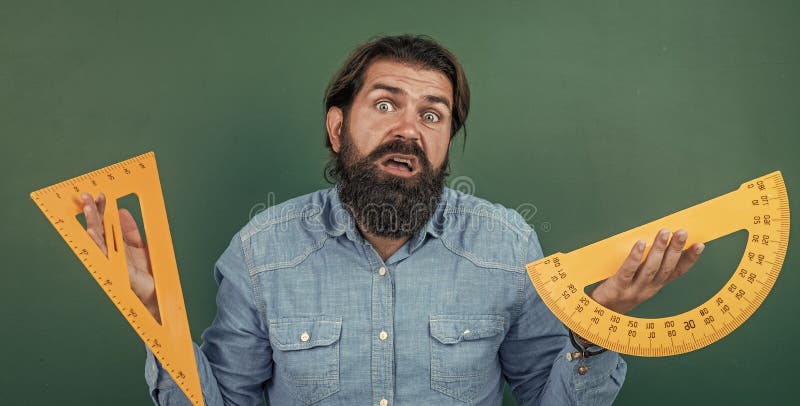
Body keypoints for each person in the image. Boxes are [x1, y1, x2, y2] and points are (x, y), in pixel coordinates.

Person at [80, 34, 704, 405]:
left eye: (434, 115)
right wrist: (155, 313)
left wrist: (599, 326)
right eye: (385, 104)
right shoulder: (261, 251)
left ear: (446, 141)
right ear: (336, 127)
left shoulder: (507, 243)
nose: (409, 128)